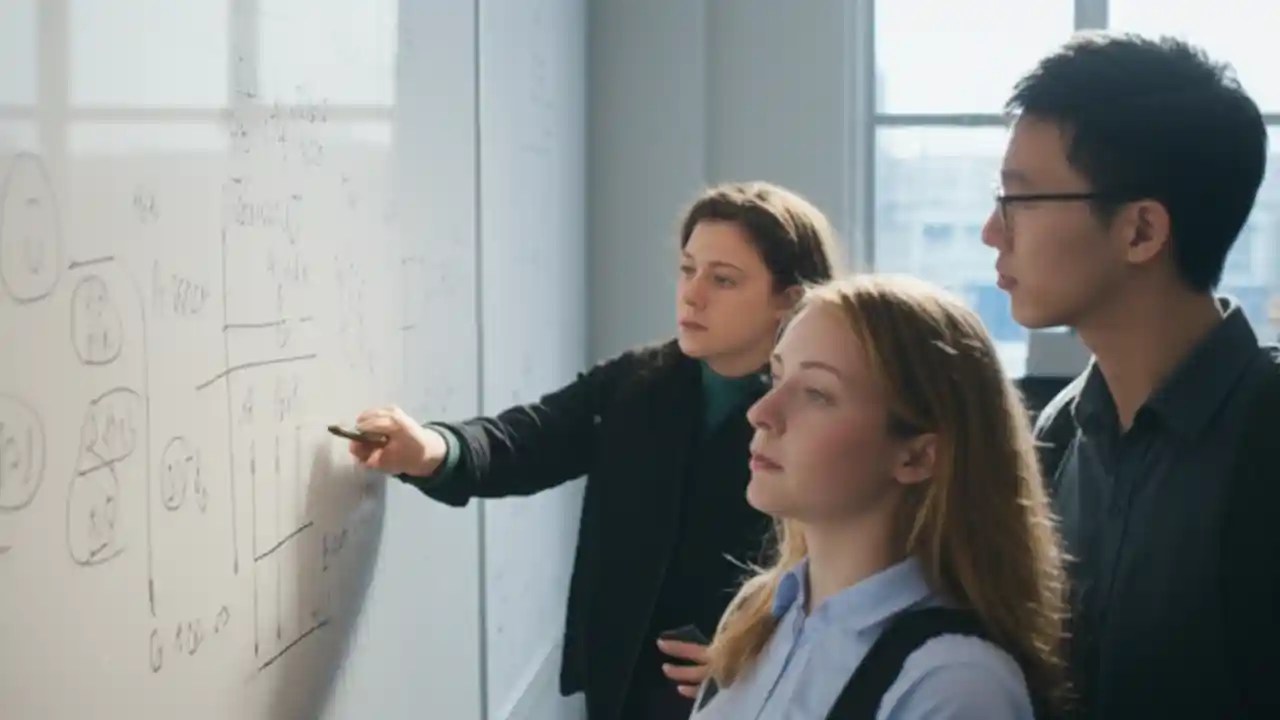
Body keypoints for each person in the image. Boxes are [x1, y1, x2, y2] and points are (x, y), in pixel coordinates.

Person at [347, 181, 841, 720]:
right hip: (624, 681)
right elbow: (529, 438)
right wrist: (432, 449)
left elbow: (853, 563)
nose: (692, 294)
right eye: (687, 269)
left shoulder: (821, 411)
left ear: (788, 300)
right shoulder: (638, 382)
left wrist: (772, 653)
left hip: (756, 694)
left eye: (723, 280)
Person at [985, 32, 1280, 718]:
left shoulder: (1266, 437)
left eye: (1018, 201)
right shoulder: (1058, 433)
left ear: (1141, 231)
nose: (992, 233)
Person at [690, 274, 1068, 720]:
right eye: (775, 377)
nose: (761, 412)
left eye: (817, 394)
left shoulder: (953, 682)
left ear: (917, 457)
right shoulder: (757, 615)